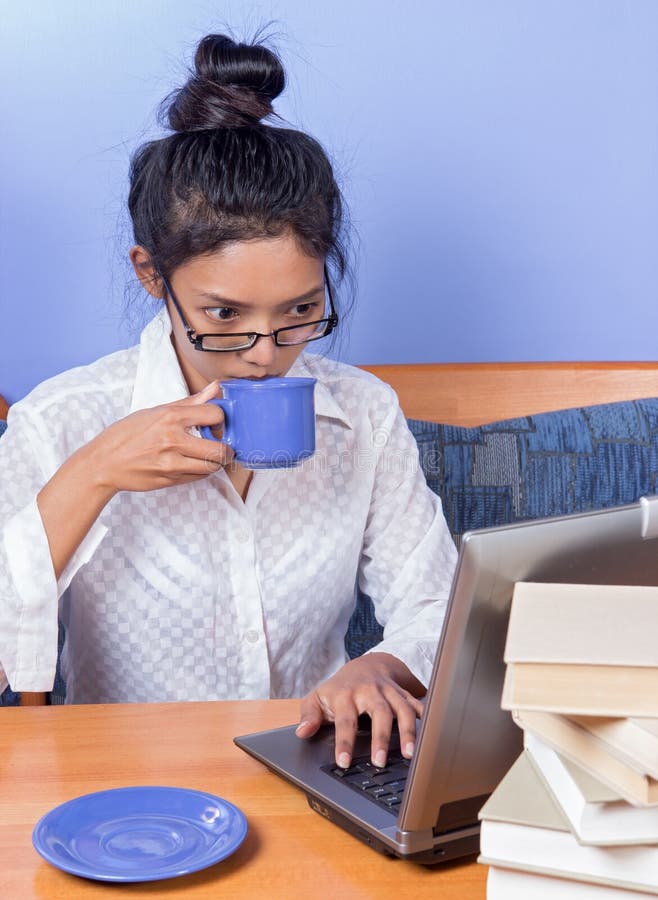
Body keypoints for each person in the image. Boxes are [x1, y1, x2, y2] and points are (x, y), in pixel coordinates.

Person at [0, 33, 457, 770]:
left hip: (315, 771)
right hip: (123, 784)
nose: (266, 353)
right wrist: (88, 476)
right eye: (223, 316)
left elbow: (435, 601)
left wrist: (384, 666)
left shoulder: (362, 414)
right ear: (152, 275)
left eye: (300, 311)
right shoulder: (63, 421)